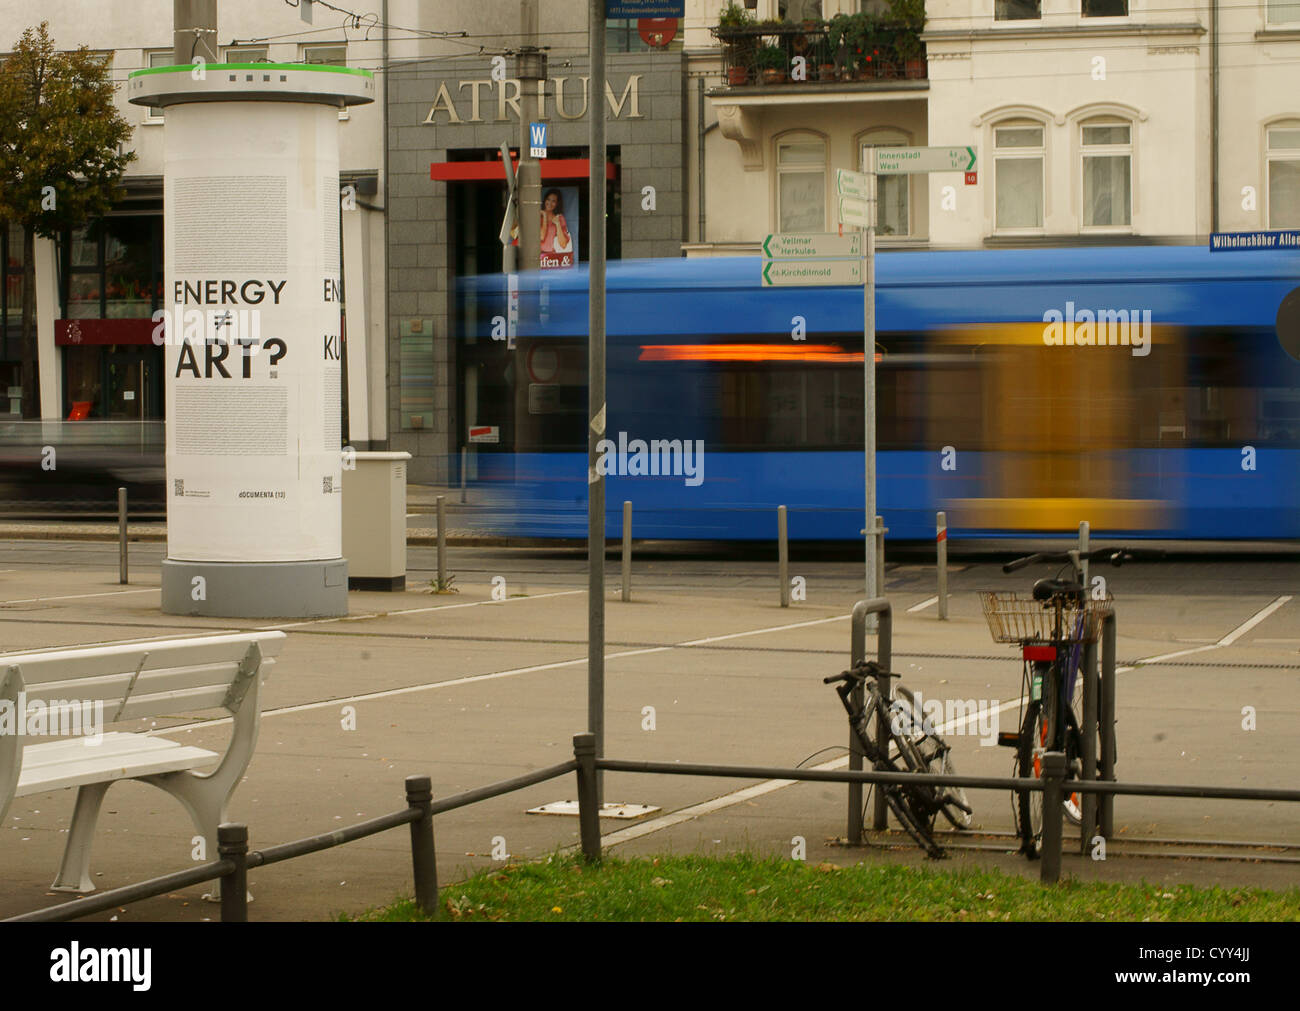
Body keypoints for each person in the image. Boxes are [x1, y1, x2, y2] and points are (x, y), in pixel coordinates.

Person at [539, 189, 572, 257]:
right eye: (548, 199)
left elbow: (563, 245)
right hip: (536, 255)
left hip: (551, 256)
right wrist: (545, 216)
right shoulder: (538, 215)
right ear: (545, 200)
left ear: (557, 204)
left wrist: (558, 224)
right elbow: (541, 237)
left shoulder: (559, 218)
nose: (550, 203)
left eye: (553, 201)